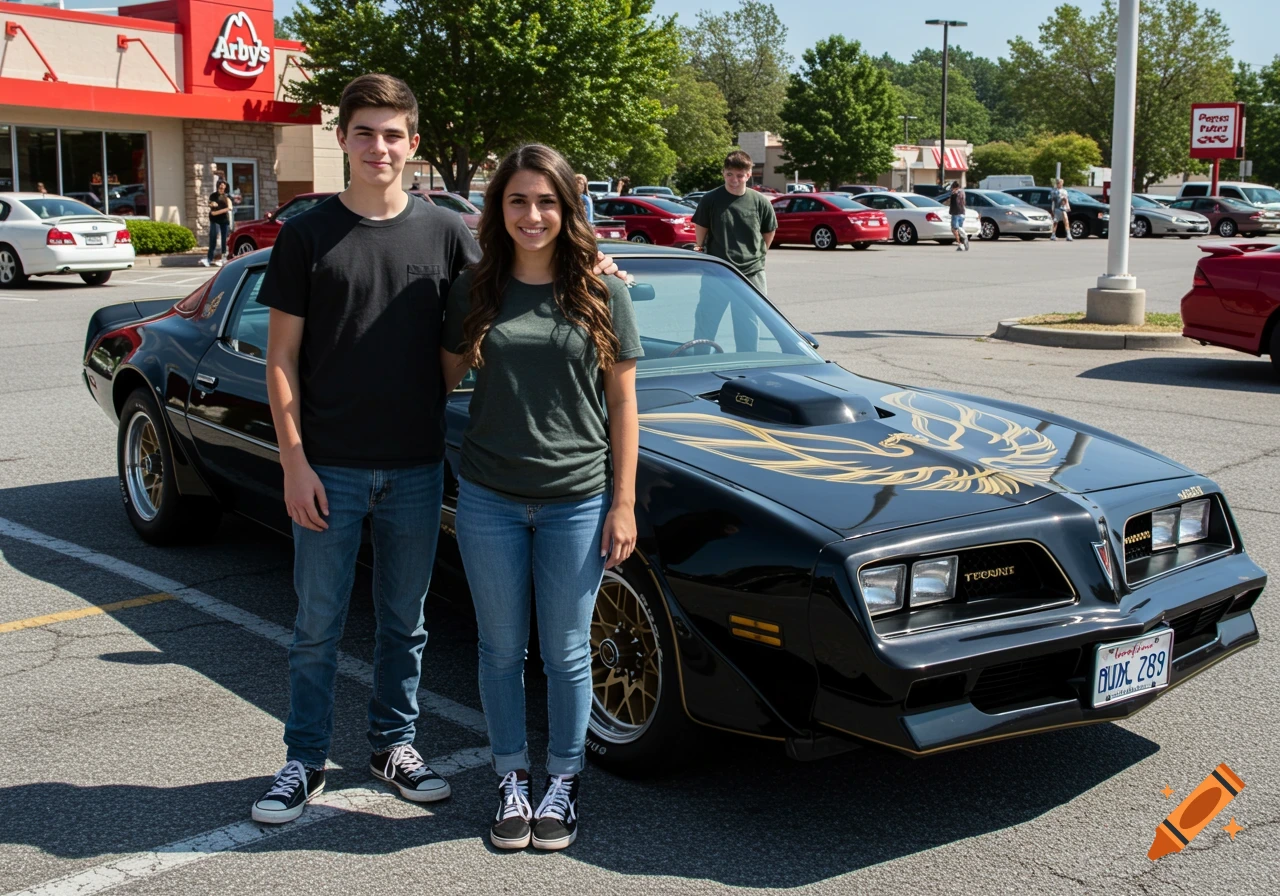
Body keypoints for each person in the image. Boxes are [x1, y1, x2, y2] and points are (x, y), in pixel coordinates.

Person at [252, 73, 474, 825]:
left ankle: (391, 746)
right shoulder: (307, 233)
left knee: (404, 622)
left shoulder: (446, 233)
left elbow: (519, 285)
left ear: (413, 145)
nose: (379, 146)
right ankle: (304, 759)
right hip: (328, 469)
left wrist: (596, 268)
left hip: (416, 466)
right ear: (341, 138)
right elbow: (280, 358)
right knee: (317, 624)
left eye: (393, 134)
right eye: (364, 132)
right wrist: (293, 459)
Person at [441, 143, 642, 852]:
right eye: (518, 200)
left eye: (547, 201)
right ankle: (510, 781)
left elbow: (623, 405)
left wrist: (624, 502)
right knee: (500, 650)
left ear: (568, 208)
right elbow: (436, 382)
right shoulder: (475, 291)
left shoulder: (602, 291)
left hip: (577, 501)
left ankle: (562, 780)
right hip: (490, 498)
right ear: (500, 208)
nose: (533, 214)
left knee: (565, 652)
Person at [690, 149, 776, 352]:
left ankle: (747, 363)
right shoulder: (711, 199)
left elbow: (768, 231)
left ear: (748, 175)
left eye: (739, 175)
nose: (734, 180)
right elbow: (701, 226)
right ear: (723, 173)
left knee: (748, 322)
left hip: (751, 273)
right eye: (729, 174)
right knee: (706, 320)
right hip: (717, 271)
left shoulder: (760, 201)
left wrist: (759, 254)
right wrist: (700, 248)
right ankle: (699, 362)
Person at [200, 181, 233, 267]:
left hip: (224, 220)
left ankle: (223, 258)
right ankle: (209, 259)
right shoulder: (213, 196)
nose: (222, 188)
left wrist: (218, 211)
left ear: (226, 187)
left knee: (224, 240)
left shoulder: (227, 197)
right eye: (220, 187)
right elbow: (211, 206)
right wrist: (213, 204)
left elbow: (230, 207)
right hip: (214, 220)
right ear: (218, 187)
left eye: (223, 187)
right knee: (213, 239)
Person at [945, 180, 970, 251]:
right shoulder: (963, 192)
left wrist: (952, 195)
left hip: (955, 213)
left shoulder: (955, 193)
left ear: (954, 187)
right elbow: (963, 201)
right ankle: (963, 240)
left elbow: (952, 202)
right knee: (960, 228)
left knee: (954, 229)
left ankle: (960, 244)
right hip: (962, 212)